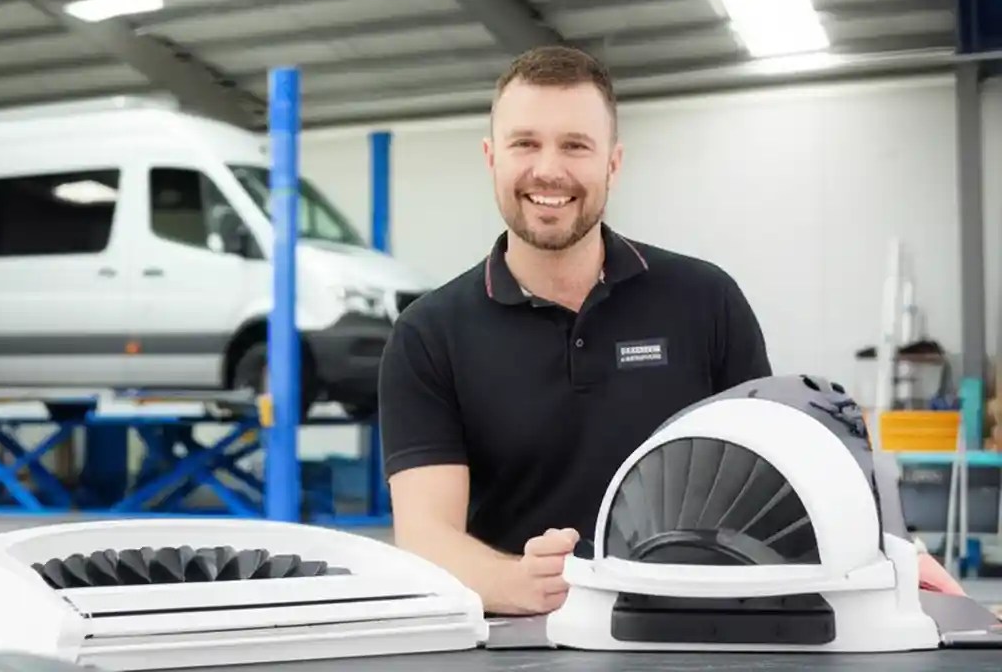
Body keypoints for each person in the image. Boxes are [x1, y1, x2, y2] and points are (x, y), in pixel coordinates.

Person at [377, 45, 964, 617]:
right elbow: (426, 536)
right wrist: (515, 582)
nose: (548, 169)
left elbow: (787, 472)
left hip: (697, 626)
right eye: (525, 143)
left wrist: (892, 553)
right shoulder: (428, 335)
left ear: (613, 162)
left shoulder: (703, 300)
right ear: (491, 158)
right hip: (519, 638)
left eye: (576, 145)